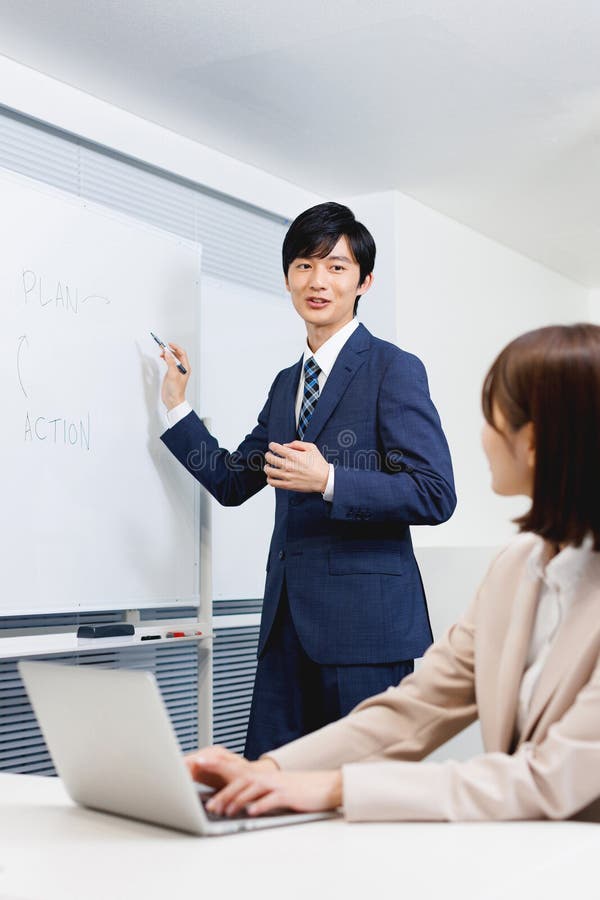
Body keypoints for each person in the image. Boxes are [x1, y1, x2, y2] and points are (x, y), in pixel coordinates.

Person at [184, 323, 600, 822]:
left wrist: (338, 787)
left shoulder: (392, 367)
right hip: (291, 630)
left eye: (491, 417)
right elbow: (415, 710)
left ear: (532, 442)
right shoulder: (515, 570)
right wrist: (272, 768)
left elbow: (547, 781)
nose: (481, 435)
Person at [159, 202, 456, 759]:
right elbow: (231, 482)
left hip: (367, 634)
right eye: (304, 265)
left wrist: (330, 479)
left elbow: (436, 492)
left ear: (364, 281)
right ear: (289, 278)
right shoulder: (284, 385)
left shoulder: (394, 368)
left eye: (336, 267)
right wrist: (176, 408)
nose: (318, 281)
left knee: (364, 798)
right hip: (285, 632)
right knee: (268, 789)